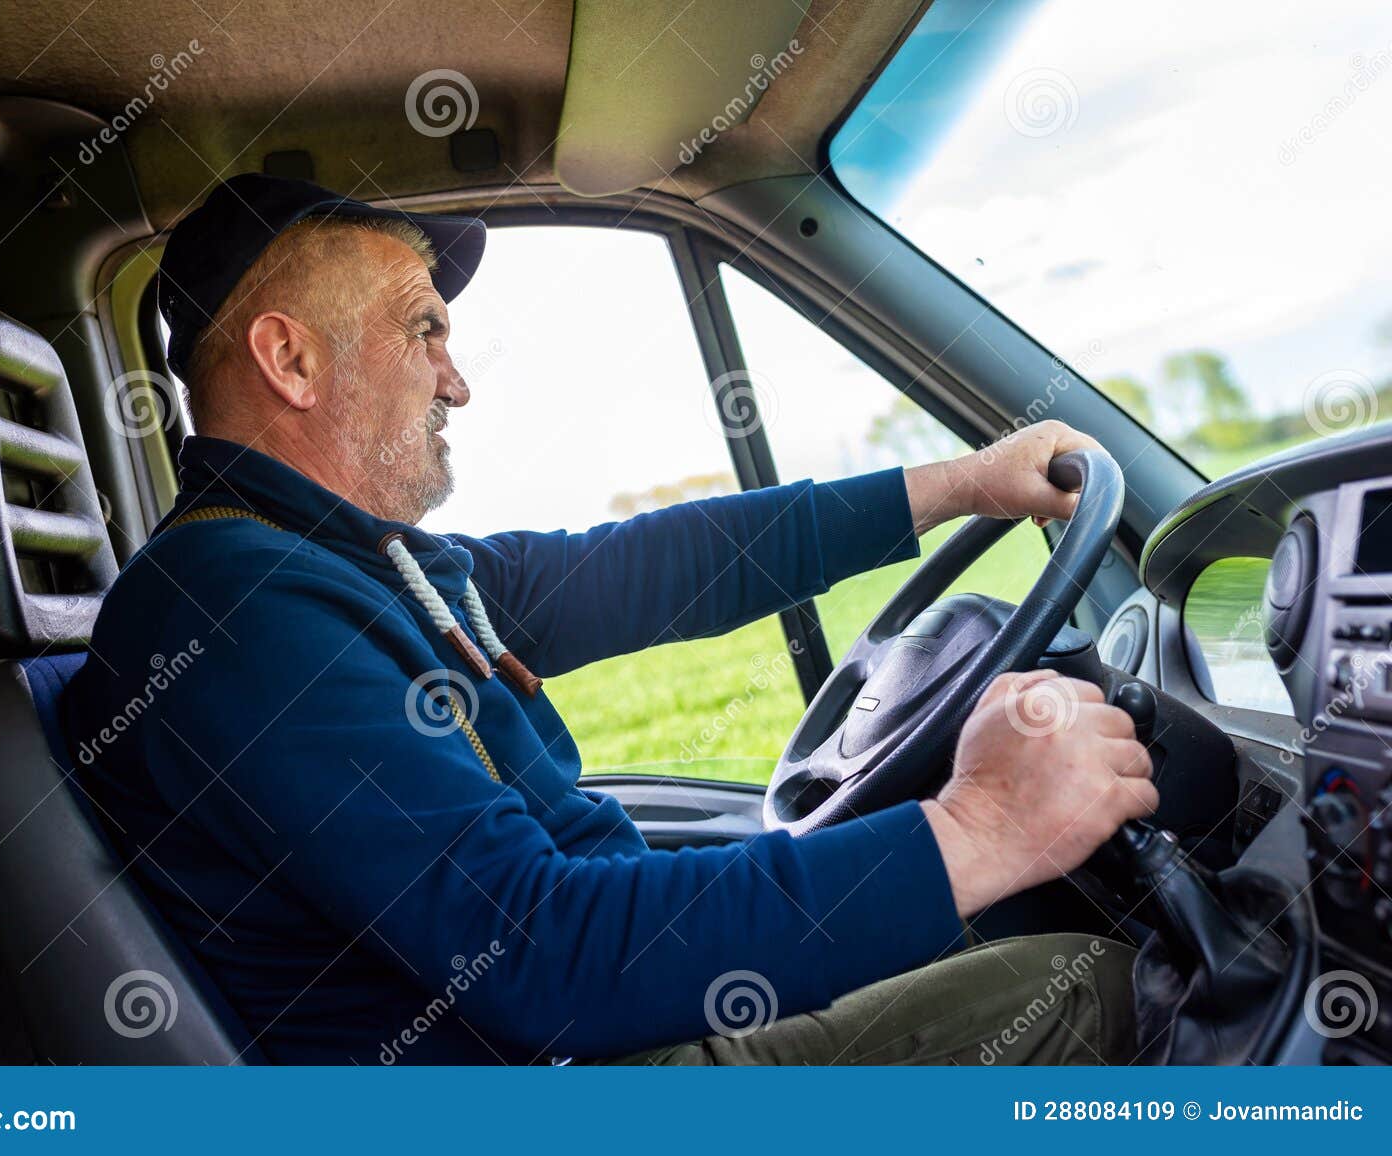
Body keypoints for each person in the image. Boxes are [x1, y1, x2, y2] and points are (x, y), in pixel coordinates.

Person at [66, 175, 1154, 1065]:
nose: (456, 384)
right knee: (1094, 987)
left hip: (586, 1038)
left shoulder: (348, 563)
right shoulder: (241, 614)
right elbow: (542, 959)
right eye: (422, 332)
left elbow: (645, 568)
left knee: (1008, 923)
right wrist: (978, 827)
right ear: (289, 359)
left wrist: (961, 485)